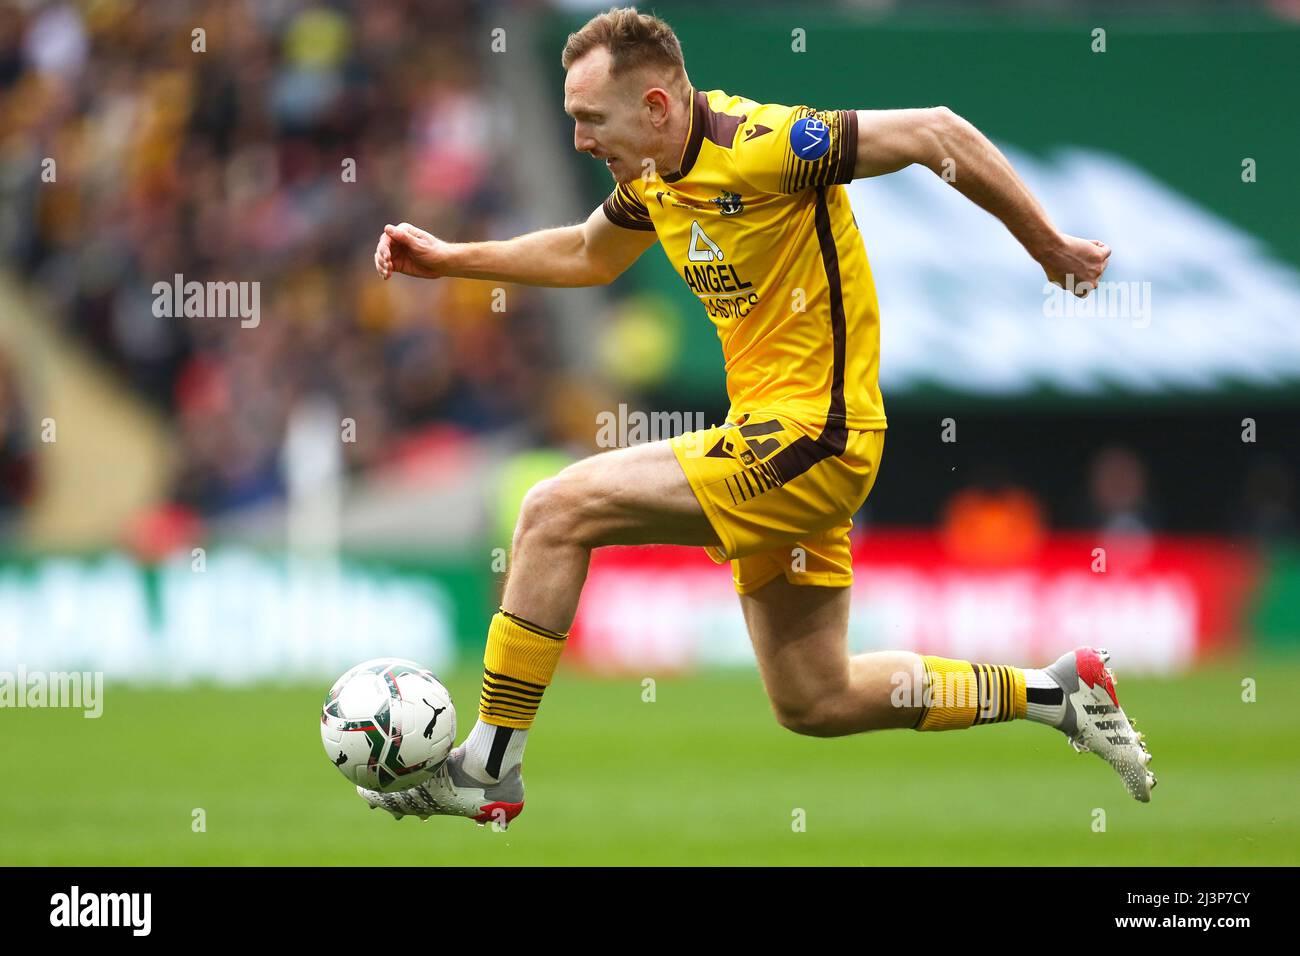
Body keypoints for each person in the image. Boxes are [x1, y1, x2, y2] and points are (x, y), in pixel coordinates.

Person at [364, 7, 1152, 826]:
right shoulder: (654, 182)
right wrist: (452, 259)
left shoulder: (769, 146)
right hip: (775, 440)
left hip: (818, 435)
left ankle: (492, 766)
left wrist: (1049, 246)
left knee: (554, 510)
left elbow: (937, 132)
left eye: (591, 119)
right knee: (816, 697)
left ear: (657, 108)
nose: (580, 140)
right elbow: (587, 254)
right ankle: (1057, 692)